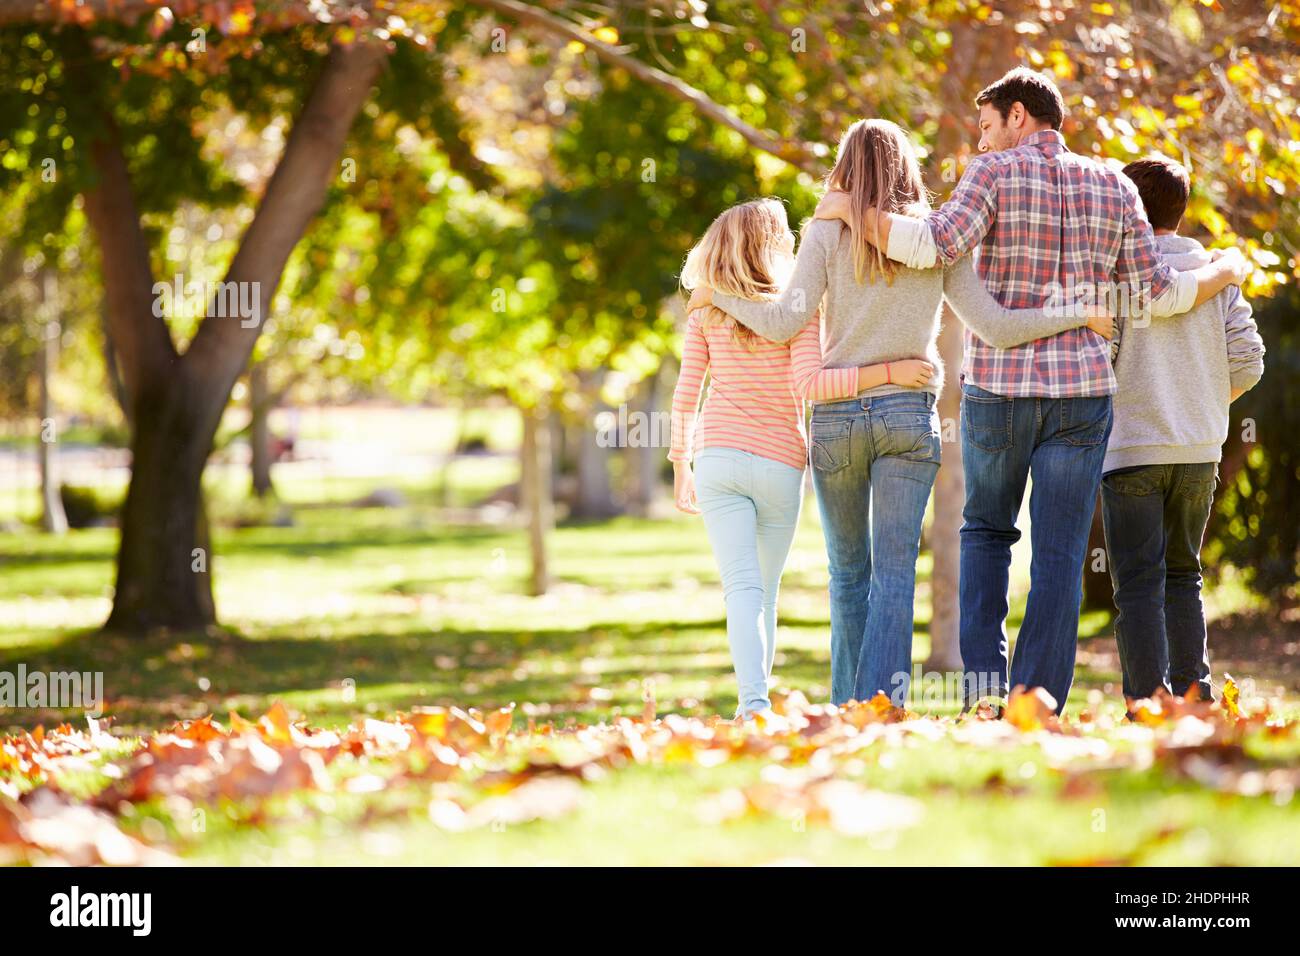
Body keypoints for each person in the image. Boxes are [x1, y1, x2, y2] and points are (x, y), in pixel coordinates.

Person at [813, 69, 1251, 713]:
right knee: (1062, 551)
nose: (984, 142)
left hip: (999, 388)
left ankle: (985, 696)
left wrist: (854, 209)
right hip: (1082, 395)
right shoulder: (1113, 185)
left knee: (987, 533)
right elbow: (1157, 294)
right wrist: (1225, 268)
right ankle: (1036, 700)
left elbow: (929, 244)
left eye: (988, 126)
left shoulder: (989, 176)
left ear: (1019, 116)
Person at [685, 120, 1112, 707]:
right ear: (908, 168)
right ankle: (880, 707)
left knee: (846, 575)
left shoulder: (826, 232)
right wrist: (1075, 315)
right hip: (907, 418)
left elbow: (784, 321)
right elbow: (995, 326)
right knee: (893, 575)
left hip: (836, 420)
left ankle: (846, 710)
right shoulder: (937, 240)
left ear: (846, 169)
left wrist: (717, 296)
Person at [1101, 156, 1264, 706]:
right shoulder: (1215, 274)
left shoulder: (1117, 274)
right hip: (1199, 450)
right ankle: (1196, 697)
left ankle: (1148, 703)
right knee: (1183, 576)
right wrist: (1199, 405)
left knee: (1138, 584)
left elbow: (1103, 359)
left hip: (1131, 450)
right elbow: (1249, 360)